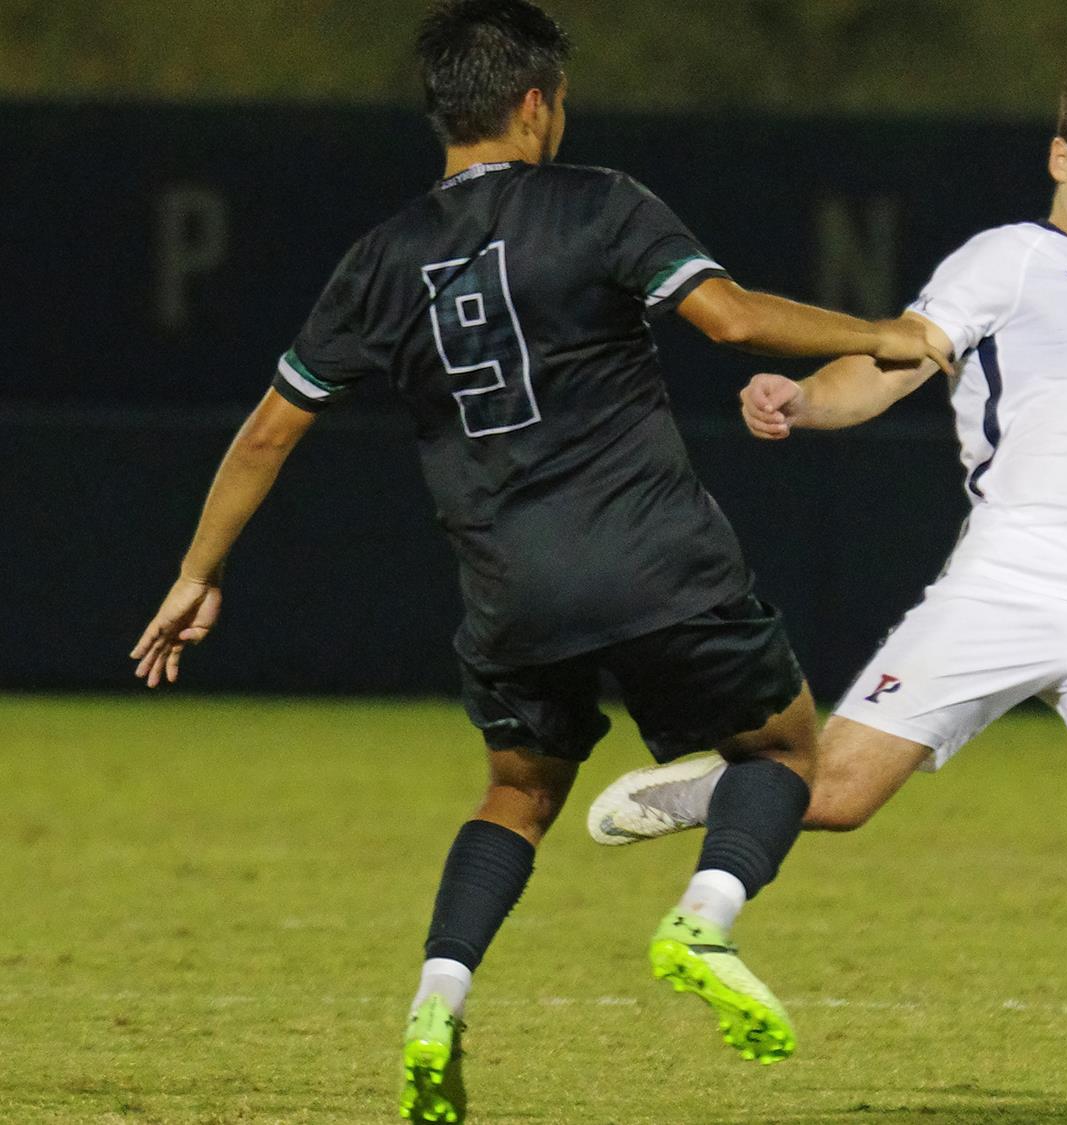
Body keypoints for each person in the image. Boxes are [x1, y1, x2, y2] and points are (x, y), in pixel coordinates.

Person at [126, 2, 952, 1121]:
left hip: (511, 595)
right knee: (786, 751)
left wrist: (194, 572)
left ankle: (437, 997)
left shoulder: (379, 259)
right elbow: (734, 320)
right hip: (659, 566)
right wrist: (885, 335)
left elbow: (271, 428)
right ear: (533, 104)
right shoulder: (599, 203)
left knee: (515, 793)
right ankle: (702, 920)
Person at [585, 53, 1067, 1119]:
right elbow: (900, 356)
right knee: (838, 796)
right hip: (1006, 587)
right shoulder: (1013, 261)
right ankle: (708, 790)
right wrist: (804, 400)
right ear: (1060, 157)